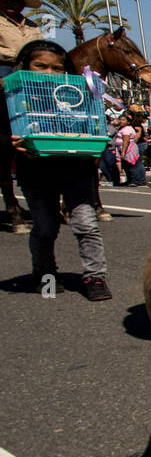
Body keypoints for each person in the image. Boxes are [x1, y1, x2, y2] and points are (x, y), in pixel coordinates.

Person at [8, 40, 111, 300]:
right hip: (36, 172)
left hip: (76, 169)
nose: (49, 73)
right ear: (24, 65)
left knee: (86, 224)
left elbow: (94, 123)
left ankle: (95, 277)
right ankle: (46, 275)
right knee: (45, 227)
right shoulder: (10, 97)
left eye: (57, 68)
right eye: (40, 66)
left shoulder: (75, 93)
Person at [0, 0, 43, 233]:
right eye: (8, 0)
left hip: (29, 69)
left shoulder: (32, 26)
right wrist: (15, 53)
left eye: (17, 1)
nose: (13, 4)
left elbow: (39, 45)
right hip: (5, 67)